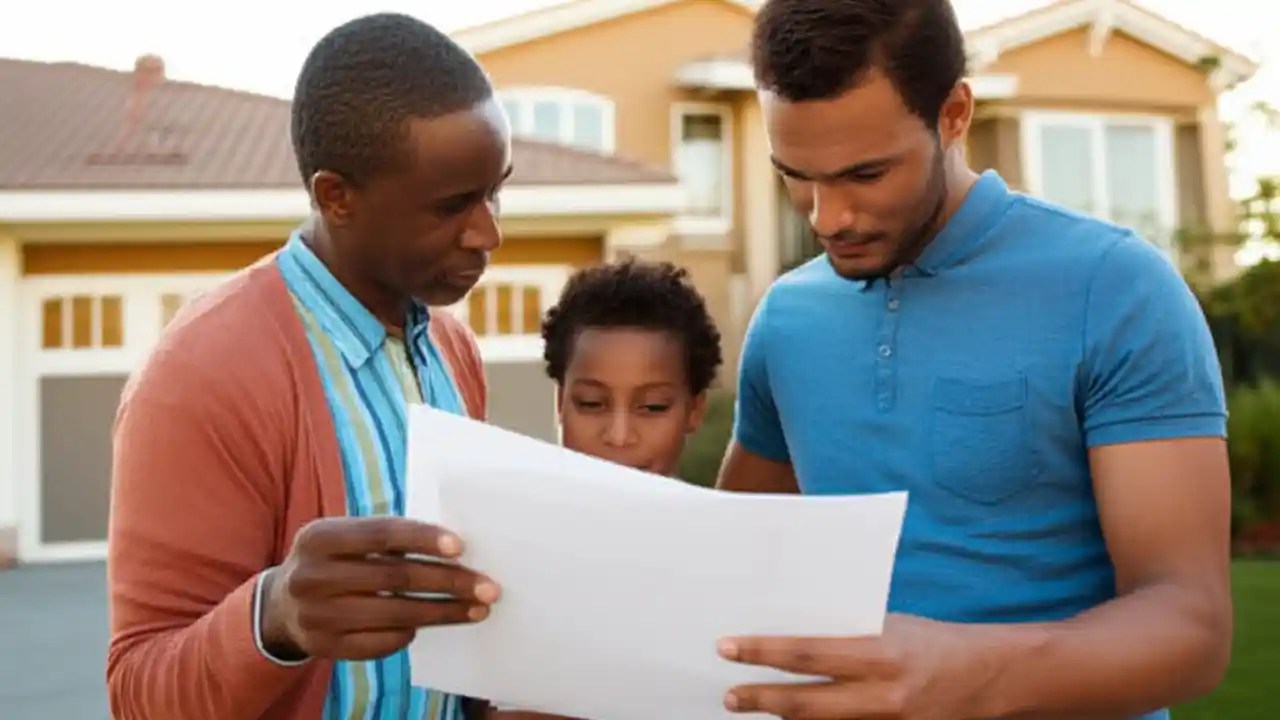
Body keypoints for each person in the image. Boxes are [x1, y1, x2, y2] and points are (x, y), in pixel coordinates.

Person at [714, 1, 1233, 719]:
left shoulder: (1115, 287)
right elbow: (733, 564)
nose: (827, 217)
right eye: (796, 175)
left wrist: (973, 676)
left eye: (866, 174)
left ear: (954, 114)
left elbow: (1191, 627)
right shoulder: (786, 319)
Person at [107, 13, 511, 720]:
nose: (488, 233)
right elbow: (140, 691)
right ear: (336, 197)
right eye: (452, 207)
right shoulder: (203, 371)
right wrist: (275, 618)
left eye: (495, 191)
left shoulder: (452, 348)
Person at [483, 258, 724, 719]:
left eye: (653, 407)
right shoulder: (501, 552)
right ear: (560, 402)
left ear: (694, 411)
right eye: (591, 403)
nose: (619, 436)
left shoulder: (732, 557)